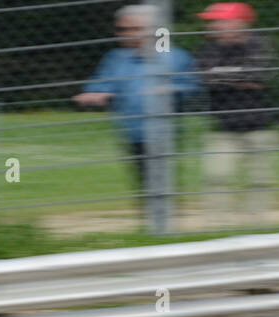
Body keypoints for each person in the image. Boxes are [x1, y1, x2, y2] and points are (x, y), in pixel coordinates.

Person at [73, 4, 198, 198]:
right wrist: (96, 95)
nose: (127, 34)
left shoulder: (175, 57)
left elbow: (192, 86)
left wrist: (171, 89)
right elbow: (101, 84)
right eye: (122, 29)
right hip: (132, 132)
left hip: (163, 132)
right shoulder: (115, 58)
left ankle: (164, 219)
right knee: (143, 182)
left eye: (135, 29)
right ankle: (154, 221)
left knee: (162, 181)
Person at [196, 2, 279, 221]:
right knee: (216, 176)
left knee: (260, 179)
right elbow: (206, 77)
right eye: (212, 22)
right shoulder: (210, 48)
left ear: (238, 23)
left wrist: (223, 74)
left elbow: (259, 77)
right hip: (224, 126)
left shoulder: (260, 44)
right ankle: (217, 223)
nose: (212, 26)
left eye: (218, 21)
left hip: (260, 125)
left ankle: (256, 222)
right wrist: (239, 75)